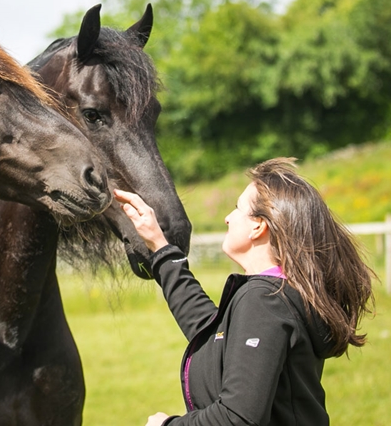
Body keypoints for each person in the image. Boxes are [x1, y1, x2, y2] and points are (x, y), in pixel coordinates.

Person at [114, 158, 375, 426]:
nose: (228, 218)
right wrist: (159, 245)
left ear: (258, 226)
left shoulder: (265, 301)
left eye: (237, 209)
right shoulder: (280, 294)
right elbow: (209, 332)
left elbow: (238, 417)